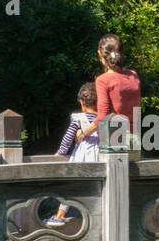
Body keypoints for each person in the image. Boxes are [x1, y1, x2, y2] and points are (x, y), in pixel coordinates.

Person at [75, 34, 141, 152]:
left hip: (113, 141)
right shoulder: (134, 75)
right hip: (133, 140)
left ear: (100, 54)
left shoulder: (103, 80)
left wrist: (83, 133)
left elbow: (103, 117)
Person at [46, 83, 99, 227]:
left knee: (71, 185)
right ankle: (96, 217)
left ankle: (59, 216)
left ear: (82, 102)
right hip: (100, 155)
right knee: (97, 187)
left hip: (83, 154)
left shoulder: (78, 118)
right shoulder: (102, 119)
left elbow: (68, 137)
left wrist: (60, 152)